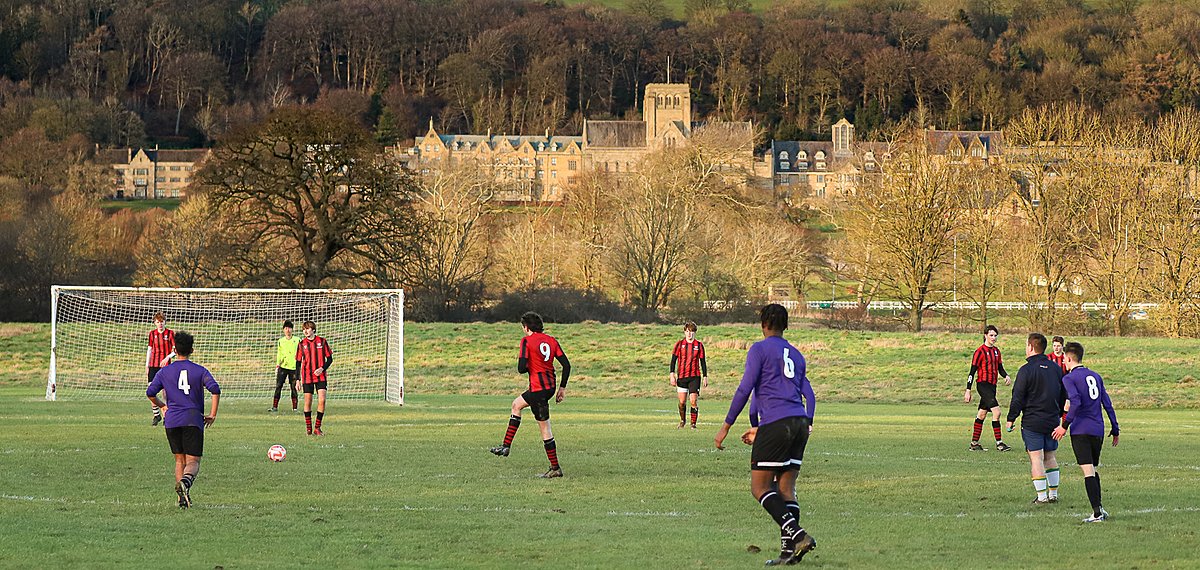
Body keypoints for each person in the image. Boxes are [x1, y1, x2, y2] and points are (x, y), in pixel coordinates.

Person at [715, 304, 817, 566]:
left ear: (762, 324)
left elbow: (745, 389)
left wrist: (726, 426)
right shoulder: (797, 355)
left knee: (760, 487)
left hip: (777, 422)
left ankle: (797, 534)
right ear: (786, 325)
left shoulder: (759, 349)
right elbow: (804, 395)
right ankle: (787, 553)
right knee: (786, 488)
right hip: (799, 422)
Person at [490, 312, 572, 479]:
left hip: (538, 388)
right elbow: (567, 365)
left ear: (526, 327)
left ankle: (506, 446)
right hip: (550, 388)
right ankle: (555, 468)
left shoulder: (526, 341)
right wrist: (562, 389)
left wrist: (531, 367)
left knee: (516, 405)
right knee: (545, 427)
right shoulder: (551, 340)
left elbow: (521, 368)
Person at [145, 331, 220, 509]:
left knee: (179, 460)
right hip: (192, 419)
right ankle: (185, 483)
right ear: (192, 350)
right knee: (193, 461)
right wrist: (212, 414)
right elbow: (215, 389)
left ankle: (181, 500)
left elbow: (150, 393)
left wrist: (162, 406)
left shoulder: (164, 372)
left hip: (171, 421)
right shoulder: (200, 370)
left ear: (174, 349)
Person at [1052, 342, 1119, 522]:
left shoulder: (1069, 378)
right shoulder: (1095, 376)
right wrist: (1115, 427)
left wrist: (1063, 426)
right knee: (1093, 470)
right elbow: (1107, 403)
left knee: (1088, 471)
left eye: (1064, 359)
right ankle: (1100, 509)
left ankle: (1096, 513)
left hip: (1081, 430)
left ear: (1068, 358)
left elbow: (1075, 402)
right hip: (1098, 429)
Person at [1006, 332, 1066, 505]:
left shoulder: (1026, 370)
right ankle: (1053, 494)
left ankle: (1041, 497)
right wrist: (1061, 415)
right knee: (1050, 456)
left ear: (1031, 347)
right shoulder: (1055, 368)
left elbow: (1018, 397)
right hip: (1053, 420)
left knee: (1036, 458)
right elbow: (1063, 394)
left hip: (1033, 421)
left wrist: (1011, 418)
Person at [965, 325, 1013, 452]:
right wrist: (968, 389)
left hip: (992, 386)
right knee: (997, 412)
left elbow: (1000, 368)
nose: (994, 338)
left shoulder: (996, 351)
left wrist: (1006, 376)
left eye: (995, 335)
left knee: (982, 413)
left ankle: (974, 443)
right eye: (991, 335)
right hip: (983, 385)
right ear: (985, 335)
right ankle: (999, 443)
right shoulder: (979, 352)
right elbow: (972, 372)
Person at [295, 321, 333, 436]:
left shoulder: (322, 341)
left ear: (313, 330)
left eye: (308, 329)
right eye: (304, 329)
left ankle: (317, 427)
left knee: (322, 400)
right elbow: (298, 363)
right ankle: (308, 428)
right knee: (308, 402)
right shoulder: (301, 344)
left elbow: (330, 359)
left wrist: (322, 368)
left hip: (320, 376)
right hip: (307, 377)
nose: (306, 331)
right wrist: (298, 380)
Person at [669, 321, 708, 429]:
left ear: (695, 333)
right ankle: (682, 421)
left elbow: (703, 362)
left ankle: (693, 424)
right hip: (681, 377)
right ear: (684, 332)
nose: (689, 334)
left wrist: (705, 376)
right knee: (682, 402)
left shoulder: (699, 345)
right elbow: (673, 360)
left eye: (691, 332)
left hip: (694, 377)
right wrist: (672, 375)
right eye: (687, 331)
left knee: (693, 401)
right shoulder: (679, 344)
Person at [146, 312, 176, 426]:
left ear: (165, 322)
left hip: (165, 366)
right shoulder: (152, 334)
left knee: (165, 392)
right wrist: (147, 365)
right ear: (155, 323)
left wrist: (167, 358)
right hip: (153, 365)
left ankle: (166, 416)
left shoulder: (170, 333)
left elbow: (175, 350)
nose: (160, 324)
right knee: (151, 391)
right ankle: (156, 415)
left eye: (162, 322)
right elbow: (149, 349)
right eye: (158, 322)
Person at [270, 320, 301, 413]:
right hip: (283, 367)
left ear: (292, 329)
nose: (288, 330)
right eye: (286, 328)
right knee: (278, 386)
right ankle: (274, 407)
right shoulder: (281, 341)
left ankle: (295, 408)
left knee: (293, 387)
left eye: (290, 328)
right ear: (283, 329)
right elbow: (279, 353)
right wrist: (277, 365)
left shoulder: (297, 340)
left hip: (294, 368)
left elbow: (300, 353)